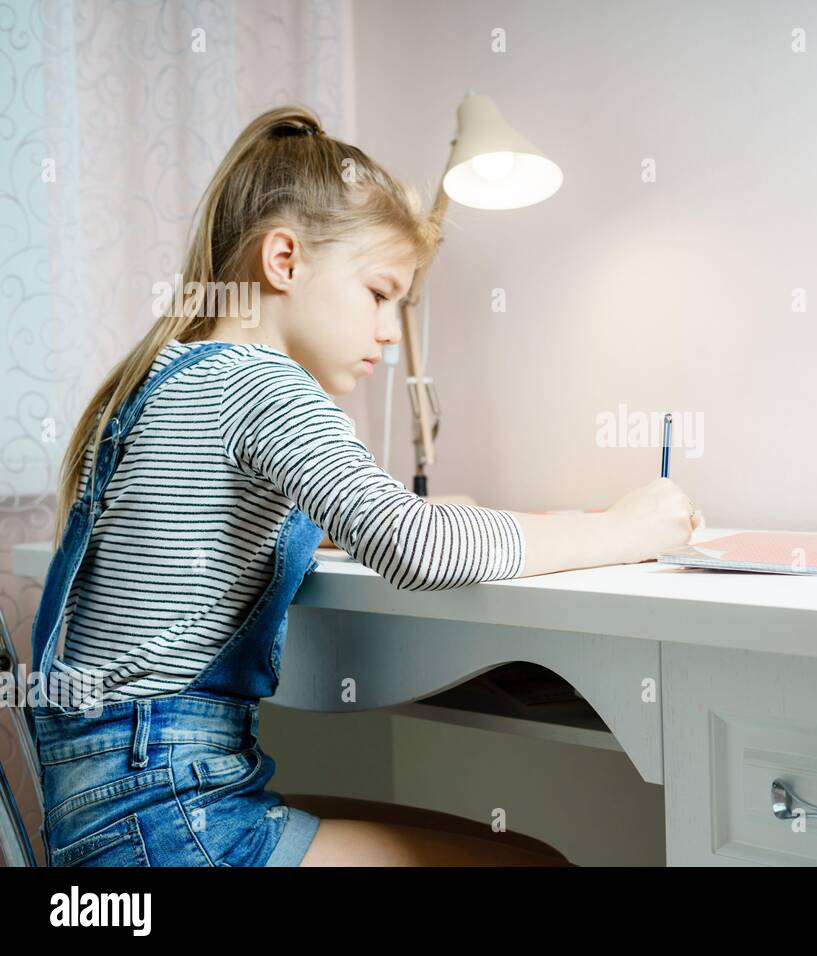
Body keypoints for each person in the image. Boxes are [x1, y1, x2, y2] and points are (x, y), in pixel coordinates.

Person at [27, 105, 700, 867]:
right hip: (176, 825)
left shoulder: (158, 382)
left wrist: (364, 518)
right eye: (380, 293)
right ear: (284, 260)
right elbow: (415, 549)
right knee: (534, 862)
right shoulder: (262, 385)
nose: (388, 328)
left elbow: (208, 529)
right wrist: (625, 528)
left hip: (110, 820)